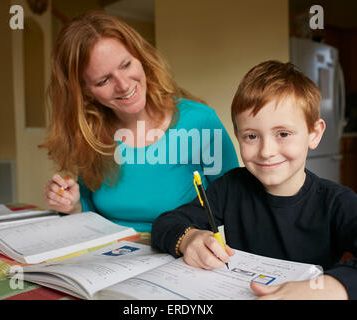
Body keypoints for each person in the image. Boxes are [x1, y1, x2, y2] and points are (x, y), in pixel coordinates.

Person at [151, 60, 357, 299]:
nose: (266, 151)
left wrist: (328, 288)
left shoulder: (338, 202)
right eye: (251, 136)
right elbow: (166, 222)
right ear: (237, 136)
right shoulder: (229, 187)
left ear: (314, 133)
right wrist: (188, 238)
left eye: (283, 134)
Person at [41, 11, 239, 233]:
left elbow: (235, 204)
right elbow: (90, 208)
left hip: (183, 254)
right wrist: (74, 204)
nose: (124, 85)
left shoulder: (200, 121)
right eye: (104, 80)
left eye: (126, 65)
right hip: (110, 255)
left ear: (140, 58)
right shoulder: (92, 136)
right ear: (85, 92)